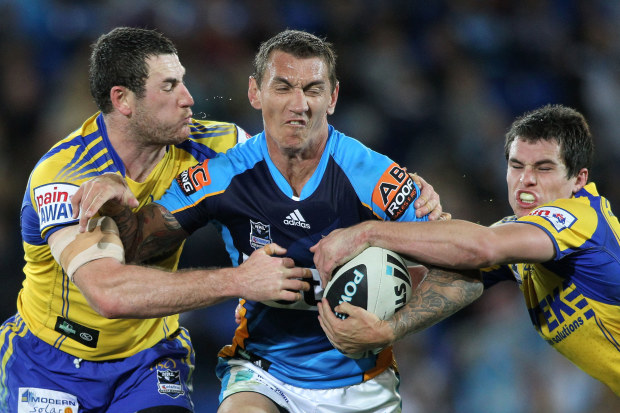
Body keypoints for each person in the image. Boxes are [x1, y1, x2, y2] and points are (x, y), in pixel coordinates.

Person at [72, 29, 451, 412]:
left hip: (362, 382)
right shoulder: (222, 175)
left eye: (314, 90)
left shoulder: (372, 177)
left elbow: (466, 270)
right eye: (283, 87)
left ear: (332, 98)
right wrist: (119, 198)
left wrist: (392, 328)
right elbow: (137, 246)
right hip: (262, 374)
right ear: (255, 92)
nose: (298, 105)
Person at [0, 27, 318, 413]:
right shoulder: (66, 175)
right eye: (169, 87)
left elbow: (311, 171)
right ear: (123, 100)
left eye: (182, 81)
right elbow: (108, 294)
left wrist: (395, 192)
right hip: (49, 365)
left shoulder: (216, 147)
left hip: (148, 360)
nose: (189, 98)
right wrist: (240, 280)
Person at [311, 104, 620, 396]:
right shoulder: (517, 236)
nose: (526, 180)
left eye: (543, 168)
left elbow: (482, 247)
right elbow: (453, 271)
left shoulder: (579, 218)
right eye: (516, 166)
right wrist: (415, 215)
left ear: (578, 180)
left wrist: (368, 233)